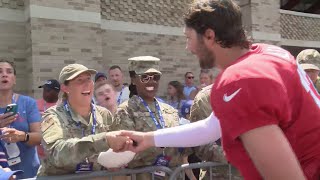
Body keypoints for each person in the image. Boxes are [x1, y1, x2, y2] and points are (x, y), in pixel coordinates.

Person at [114, 1, 320, 179]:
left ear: (209, 36)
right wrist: (149, 138)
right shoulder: (270, 53)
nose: (188, 47)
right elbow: (211, 127)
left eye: (189, 38)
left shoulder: (241, 80)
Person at [37, 64, 131, 176]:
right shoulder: (52, 116)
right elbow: (56, 154)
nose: (87, 84)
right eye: (80, 80)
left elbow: (118, 147)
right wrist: (102, 141)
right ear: (65, 88)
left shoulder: (103, 114)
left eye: (88, 79)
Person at [111, 56, 191, 179]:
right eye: (145, 77)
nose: (151, 81)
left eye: (156, 77)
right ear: (133, 80)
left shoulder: (169, 110)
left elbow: (183, 150)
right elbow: (127, 152)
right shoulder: (126, 111)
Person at [0, 59, 41, 179]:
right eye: (0, 71)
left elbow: (39, 137)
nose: (4, 74)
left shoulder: (28, 103)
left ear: (14, 79)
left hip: (29, 172)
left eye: (9, 72)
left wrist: (22, 136)